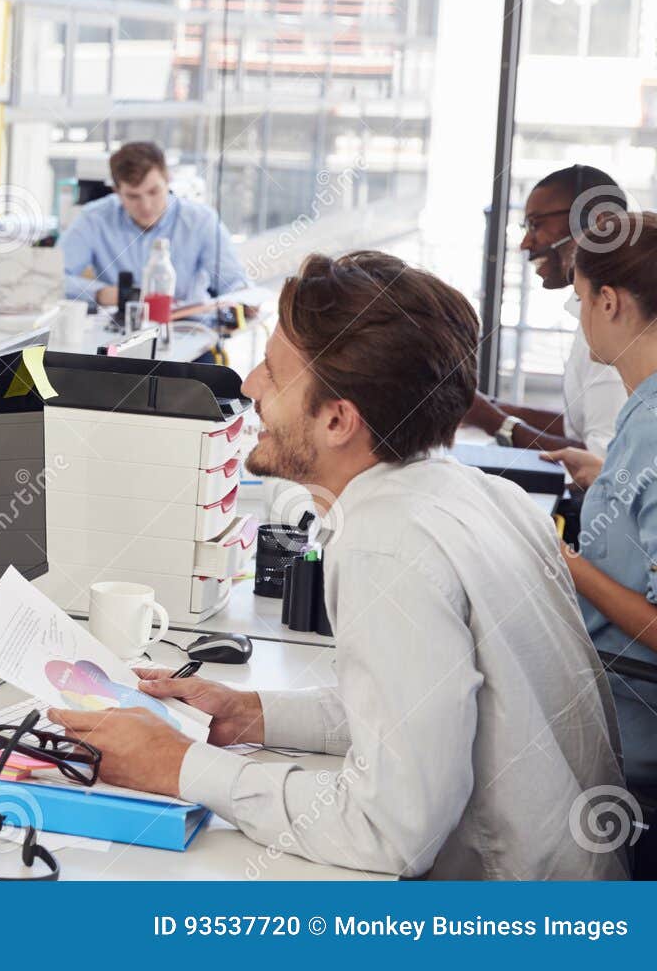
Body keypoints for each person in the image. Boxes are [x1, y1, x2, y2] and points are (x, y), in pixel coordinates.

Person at [48, 251, 625, 879]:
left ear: (337, 420)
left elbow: (390, 830)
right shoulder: (485, 494)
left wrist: (179, 765)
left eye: (272, 373)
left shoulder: (387, 545)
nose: (250, 386)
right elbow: (418, 715)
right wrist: (250, 713)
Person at [552, 211, 657, 810]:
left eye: (581, 298)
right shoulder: (642, 411)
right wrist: (605, 477)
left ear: (610, 302)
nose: (581, 315)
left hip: (627, 712)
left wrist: (563, 560)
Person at [465, 164, 628, 453]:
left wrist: (495, 422)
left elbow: (600, 461)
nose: (525, 243)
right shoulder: (591, 309)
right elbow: (580, 427)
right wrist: (492, 408)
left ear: (597, 222)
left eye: (536, 225)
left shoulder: (616, 323)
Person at [59, 141, 244, 310]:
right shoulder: (94, 218)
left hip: (187, 326)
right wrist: (100, 293)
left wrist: (244, 301)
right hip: (121, 327)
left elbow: (234, 282)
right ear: (117, 192)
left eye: (153, 192)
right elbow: (52, 279)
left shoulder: (201, 221)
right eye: (133, 196)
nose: (146, 206)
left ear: (168, 180)